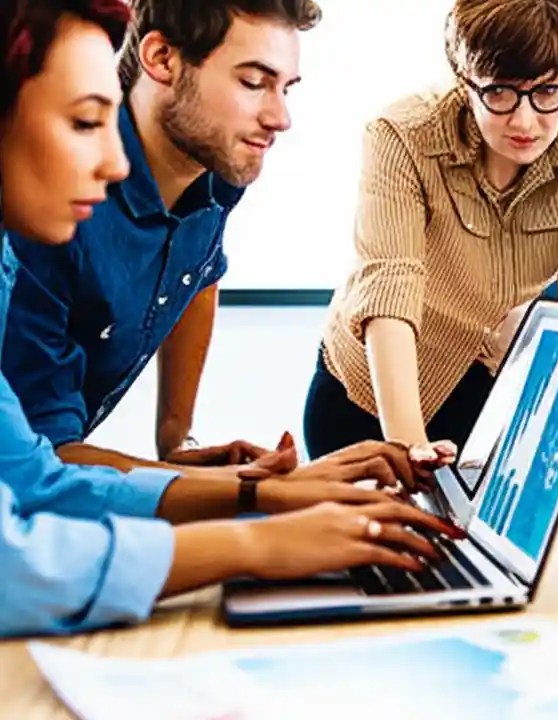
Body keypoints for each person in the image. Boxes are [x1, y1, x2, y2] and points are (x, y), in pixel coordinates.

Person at [0, 0, 462, 638]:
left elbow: (34, 479)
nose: (113, 162)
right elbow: (22, 546)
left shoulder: (213, 172)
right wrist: (258, 534)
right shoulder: (41, 233)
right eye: (85, 121)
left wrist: (210, 463)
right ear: (160, 59)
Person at [0, 0, 351, 478]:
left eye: (285, 88)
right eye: (253, 83)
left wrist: (175, 436)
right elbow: (39, 463)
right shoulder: (52, 207)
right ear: (162, 58)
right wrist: (254, 491)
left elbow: (201, 268)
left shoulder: (217, 170)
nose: (281, 117)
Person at [303, 0, 558, 459]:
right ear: (464, 79)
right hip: (371, 391)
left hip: (478, 383)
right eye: (499, 93)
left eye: (549, 92)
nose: (525, 121)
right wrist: (409, 446)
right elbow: (391, 284)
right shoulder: (403, 134)